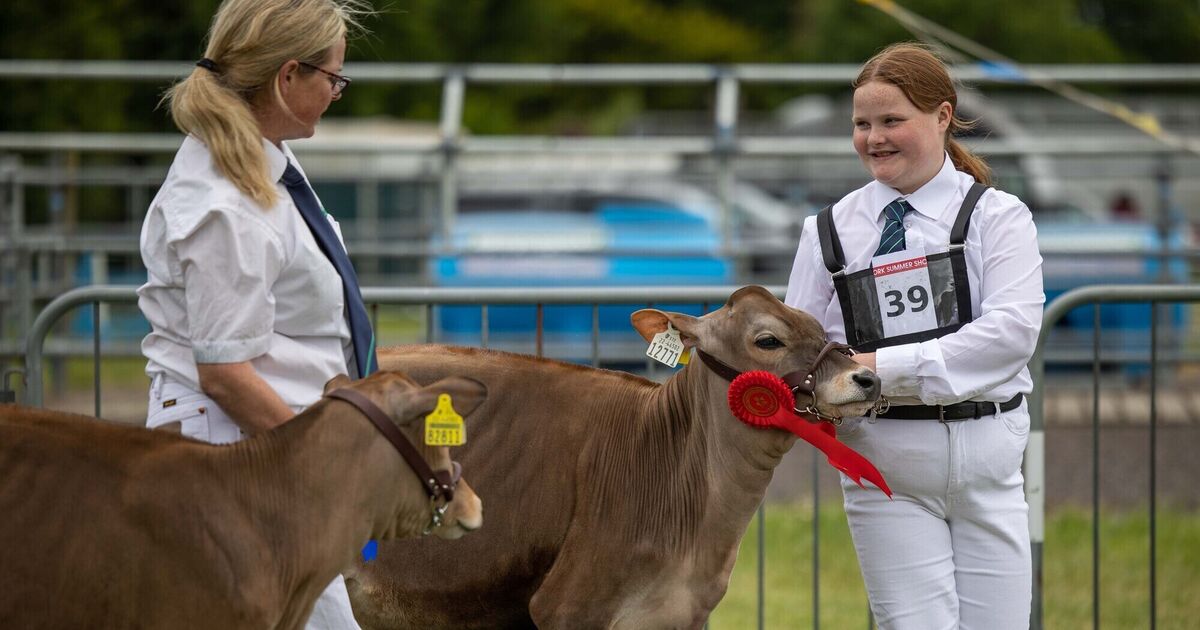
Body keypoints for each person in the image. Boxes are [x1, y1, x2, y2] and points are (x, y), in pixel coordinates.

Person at [785, 43, 1044, 630]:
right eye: (862, 124)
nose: (874, 137)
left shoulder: (998, 216)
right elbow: (807, 348)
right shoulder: (826, 230)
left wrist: (878, 364)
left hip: (990, 464)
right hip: (884, 469)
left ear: (943, 116)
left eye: (892, 120)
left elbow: (1011, 333)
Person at [136, 1, 374, 628]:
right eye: (334, 79)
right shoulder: (226, 201)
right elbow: (224, 373)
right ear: (287, 77)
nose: (337, 93)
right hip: (234, 457)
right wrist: (317, 462)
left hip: (260, 451)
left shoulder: (264, 158)